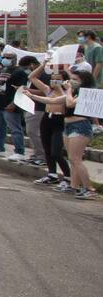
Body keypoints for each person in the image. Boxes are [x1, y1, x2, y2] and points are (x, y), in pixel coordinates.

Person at [0, 54, 36, 163]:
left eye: (8, 58)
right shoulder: (3, 70)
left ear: (14, 59)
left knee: (15, 129)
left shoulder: (20, 72)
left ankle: (19, 152)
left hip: (10, 105)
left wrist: (13, 104)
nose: (5, 60)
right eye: (4, 57)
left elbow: (22, 90)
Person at [60, 69, 99, 200]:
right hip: (69, 125)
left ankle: (90, 189)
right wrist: (31, 95)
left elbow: (70, 103)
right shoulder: (74, 92)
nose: (71, 81)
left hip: (80, 126)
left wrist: (69, 89)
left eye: (75, 79)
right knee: (72, 159)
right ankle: (74, 186)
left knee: (76, 159)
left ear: (83, 81)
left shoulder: (87, 93)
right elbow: (60, 101)